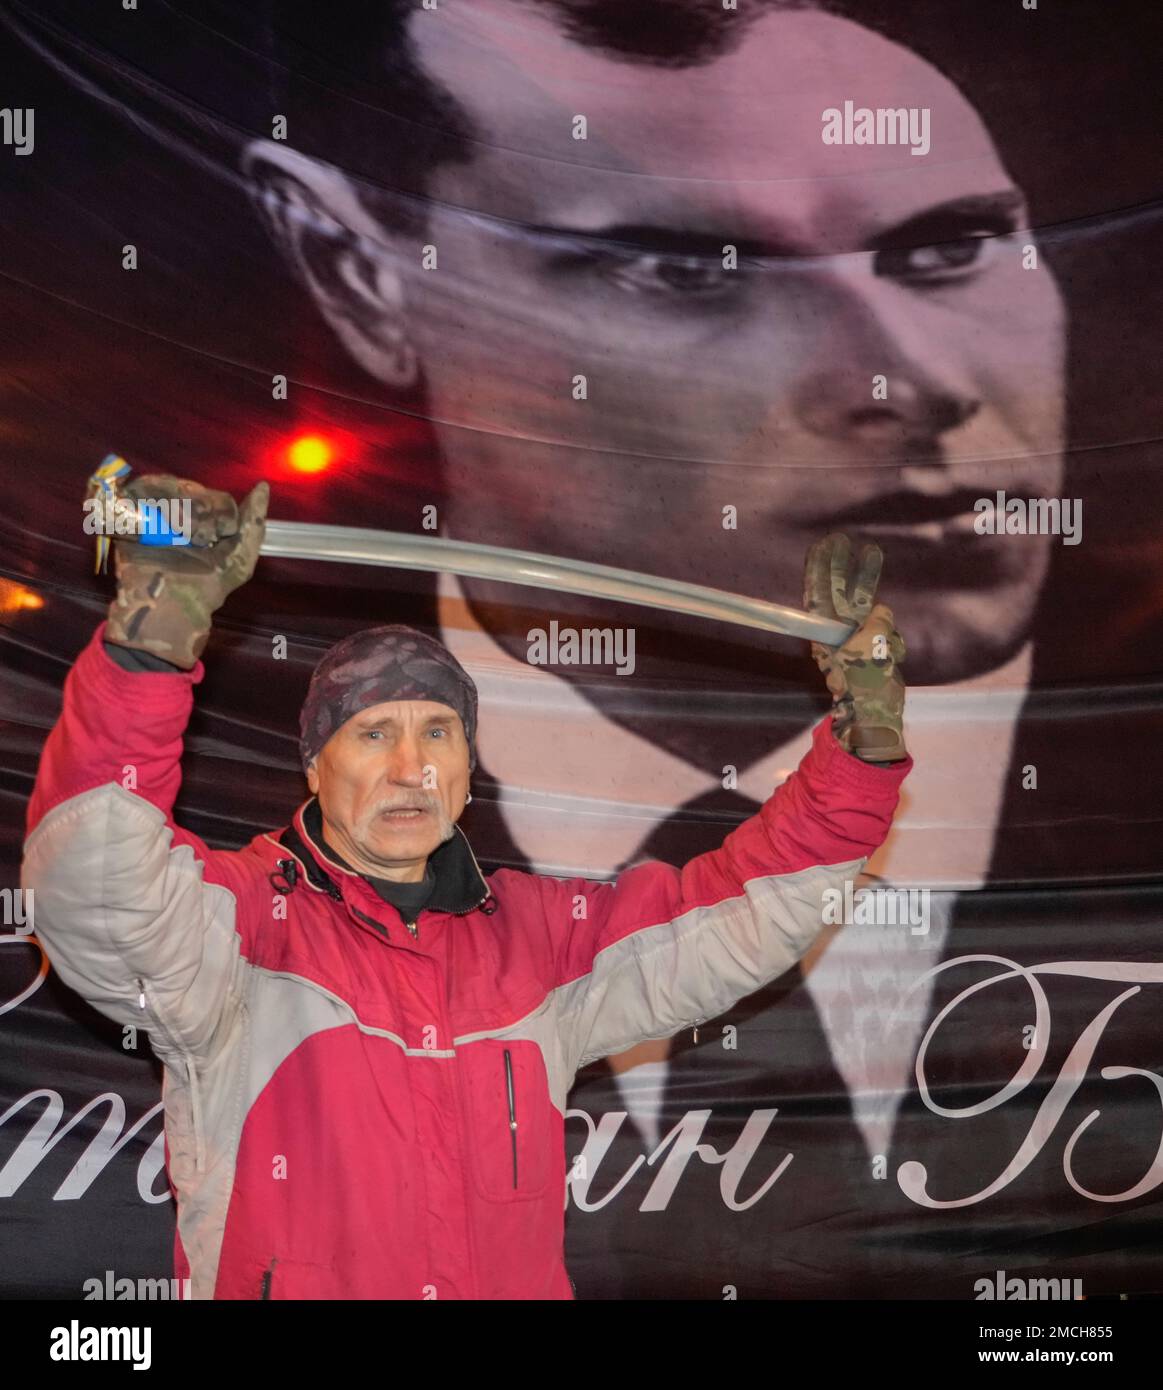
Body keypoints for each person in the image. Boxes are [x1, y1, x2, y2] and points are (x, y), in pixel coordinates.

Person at [21, 474, 911, 1299]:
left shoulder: (543, 939)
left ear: (467, 766)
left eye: (438, 732)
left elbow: (749, 909)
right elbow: (99, 892)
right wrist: (151, 646)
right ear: (313, 767)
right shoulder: (248, 921)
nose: (411, 767)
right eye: (372, 735)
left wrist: (863, 739)